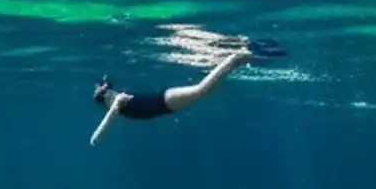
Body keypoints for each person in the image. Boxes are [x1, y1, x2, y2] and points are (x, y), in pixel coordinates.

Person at [89, 35, 283, 146]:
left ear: (106, 94)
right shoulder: (118, 103)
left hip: (165, 101)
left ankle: (235, 58)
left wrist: (98, 136)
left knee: (202, 90)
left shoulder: (119, 102)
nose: (107, 94)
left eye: (104, 92)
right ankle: (236, 56)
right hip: (166, 104)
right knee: (206, 91)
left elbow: (110, 118)